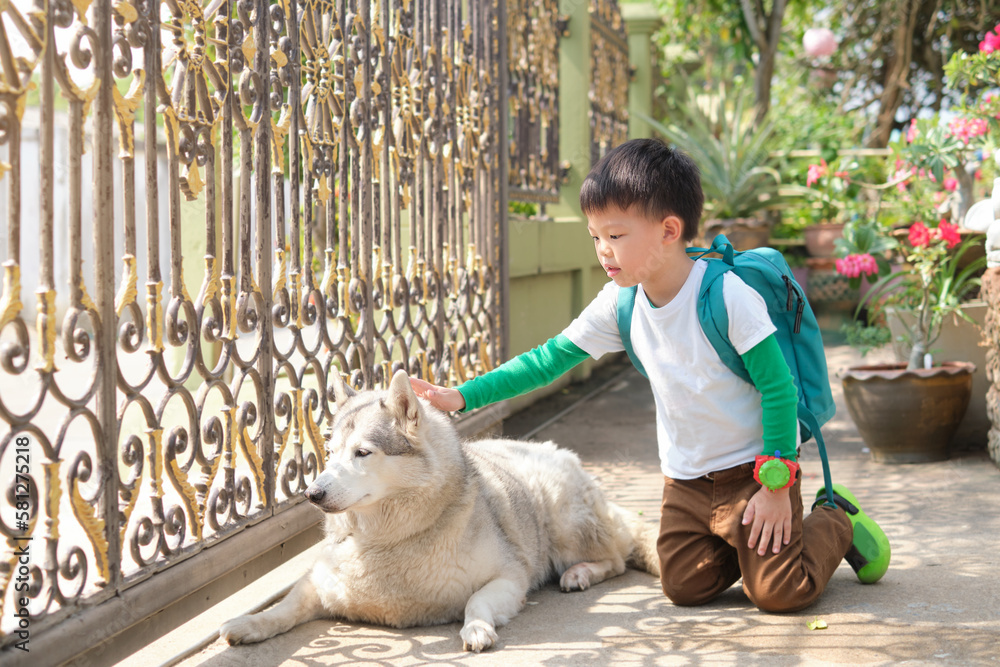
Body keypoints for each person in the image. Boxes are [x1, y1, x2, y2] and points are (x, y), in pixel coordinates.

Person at [409, 138, 889, 612]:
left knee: (781, 594)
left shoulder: (728, 296)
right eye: (595, 236)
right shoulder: (621, 302)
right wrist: (461, 396)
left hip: (753, 469)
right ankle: (746, 544)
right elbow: (547, 359)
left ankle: (835, 518)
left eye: (616, 236)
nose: (603, 251)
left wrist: (777, 484)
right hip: (686, 481)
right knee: (684, 587)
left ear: (669, 230)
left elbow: (778, 389)